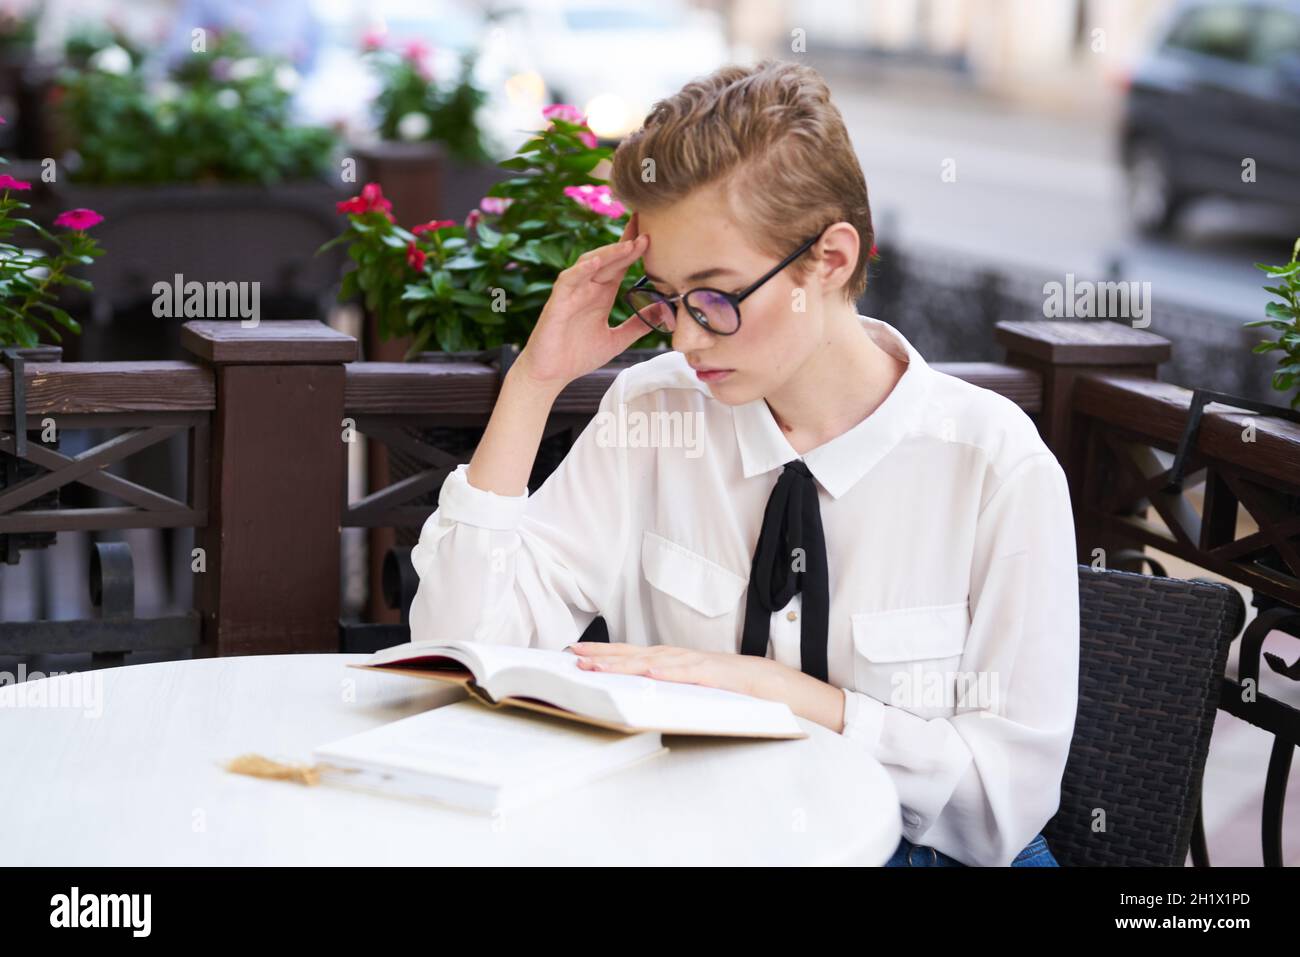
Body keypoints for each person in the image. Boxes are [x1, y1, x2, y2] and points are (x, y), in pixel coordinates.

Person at [408, 59, 1079, 868]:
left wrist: (797, 700)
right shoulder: (653, 416)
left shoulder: (994, 467)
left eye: (716, 296)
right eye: (666, 297)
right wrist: (534, 383)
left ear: (829, 261)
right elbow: (458, 649)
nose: (686, 338)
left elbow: (1000, 808)